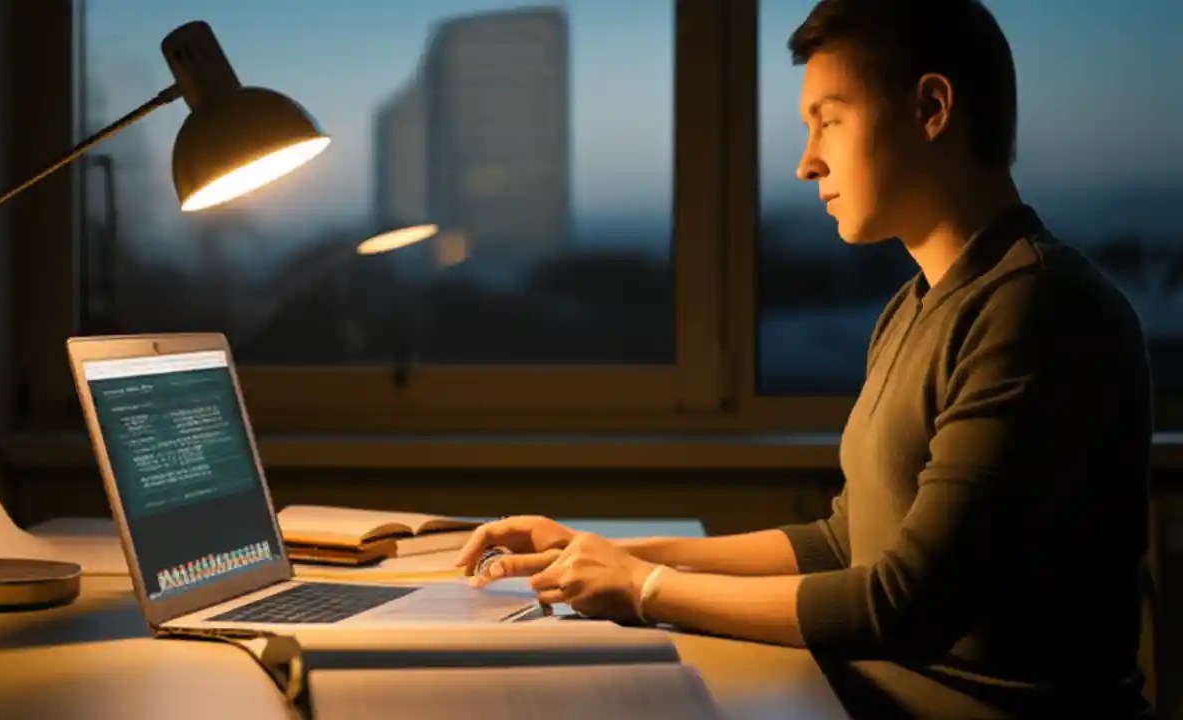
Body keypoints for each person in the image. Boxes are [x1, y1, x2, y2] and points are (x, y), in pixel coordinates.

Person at [455, 1, 1154, 716]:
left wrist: (643, 590)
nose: (805, 160)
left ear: (932, 108)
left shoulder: (1037, 309)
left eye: (830, 119)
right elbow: (844, 542)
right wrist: (607, 554)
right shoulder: (917, 306)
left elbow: (902, 604)